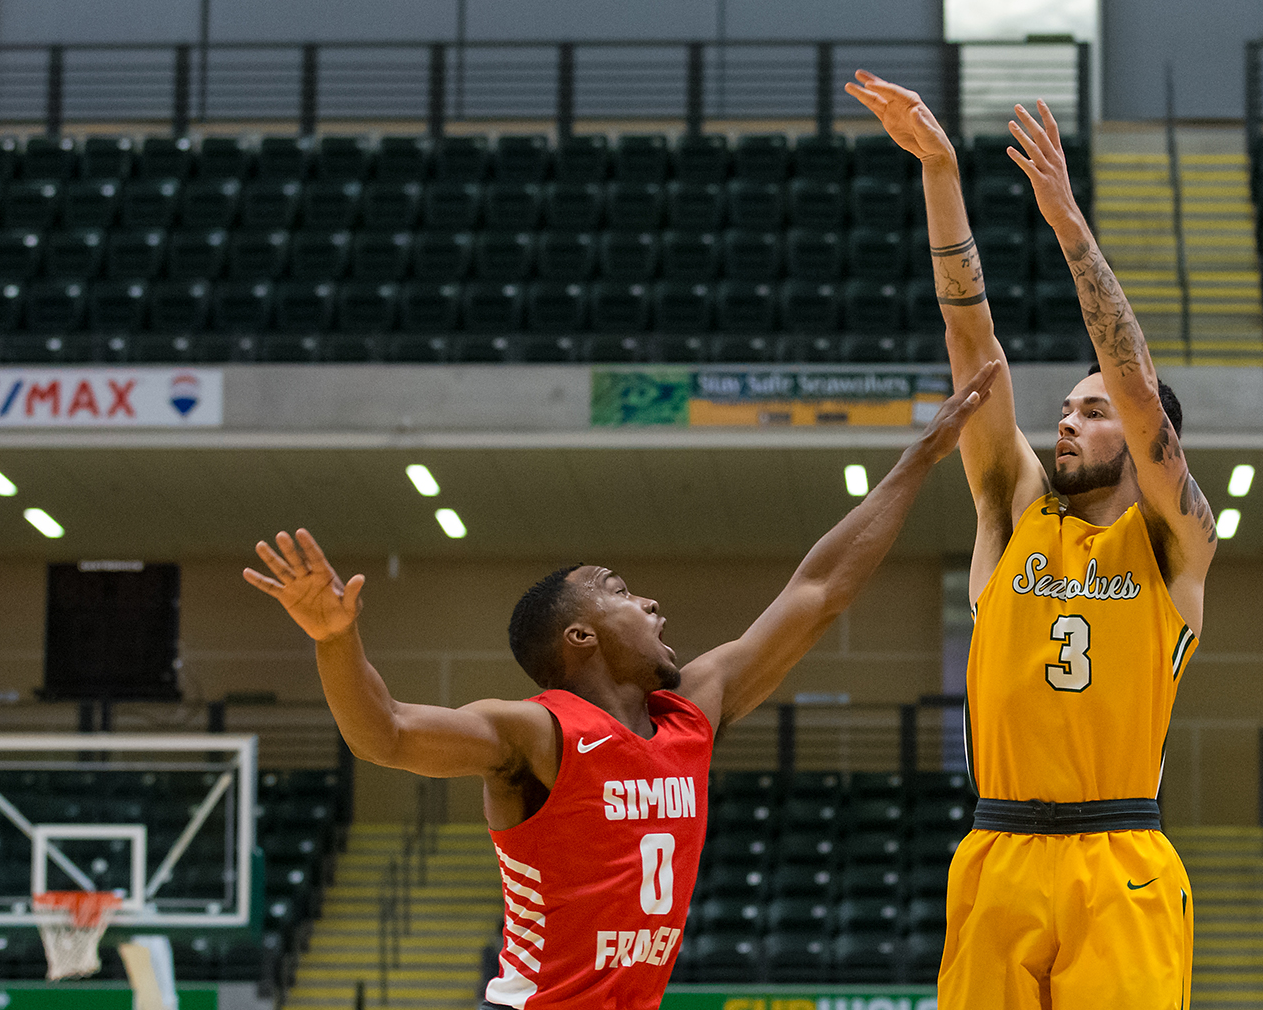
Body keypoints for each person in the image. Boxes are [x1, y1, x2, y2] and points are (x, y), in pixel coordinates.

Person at [244, 361, 999, 1010]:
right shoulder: (535, 733)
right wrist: (336, 641)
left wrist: (923, 456)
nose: (651, 604)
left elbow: (820, 590)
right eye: (622, 591)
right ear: (581, 637)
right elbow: (388, 732)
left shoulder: (690, 715)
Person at [849, 71, 1219, 1009]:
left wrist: (1067, 224)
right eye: (1064, 408)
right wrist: (940, 170)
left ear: (1142, 444)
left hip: (1120, 856)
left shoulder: (1175, 540)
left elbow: (1137, 385)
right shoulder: (1013, 512)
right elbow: (973, 349)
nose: (1066, 421)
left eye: (1089, 413)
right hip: (998, 849)